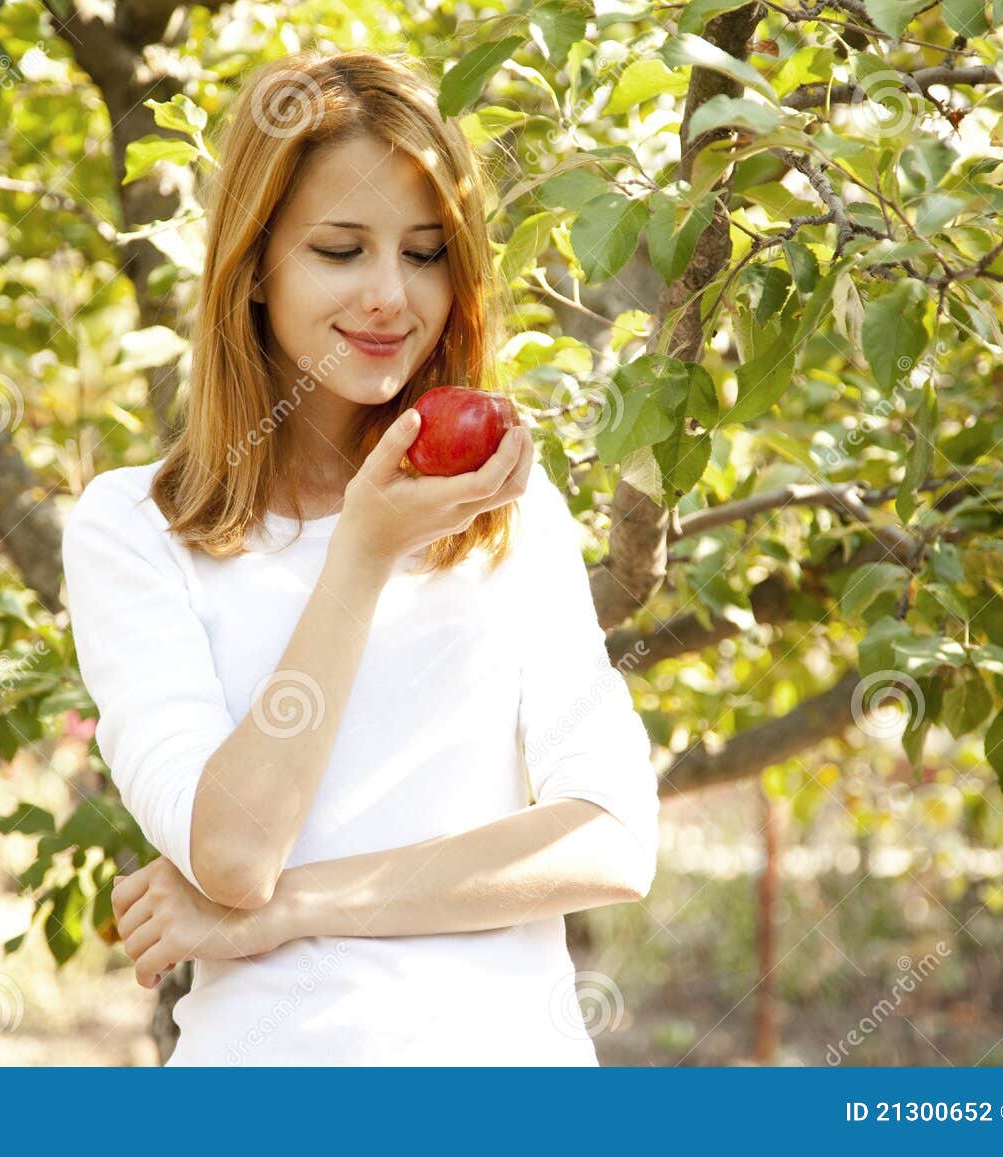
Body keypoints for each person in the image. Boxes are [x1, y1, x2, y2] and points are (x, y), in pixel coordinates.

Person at [61, 50, 659, 1066]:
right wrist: (363, 554)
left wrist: (283, 911)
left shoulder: (506, 507)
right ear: (253, 267)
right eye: (341, 250)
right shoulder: (135, 528)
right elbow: (235, 853)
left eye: (425, 253)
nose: (390, 294)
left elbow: (606, 837)